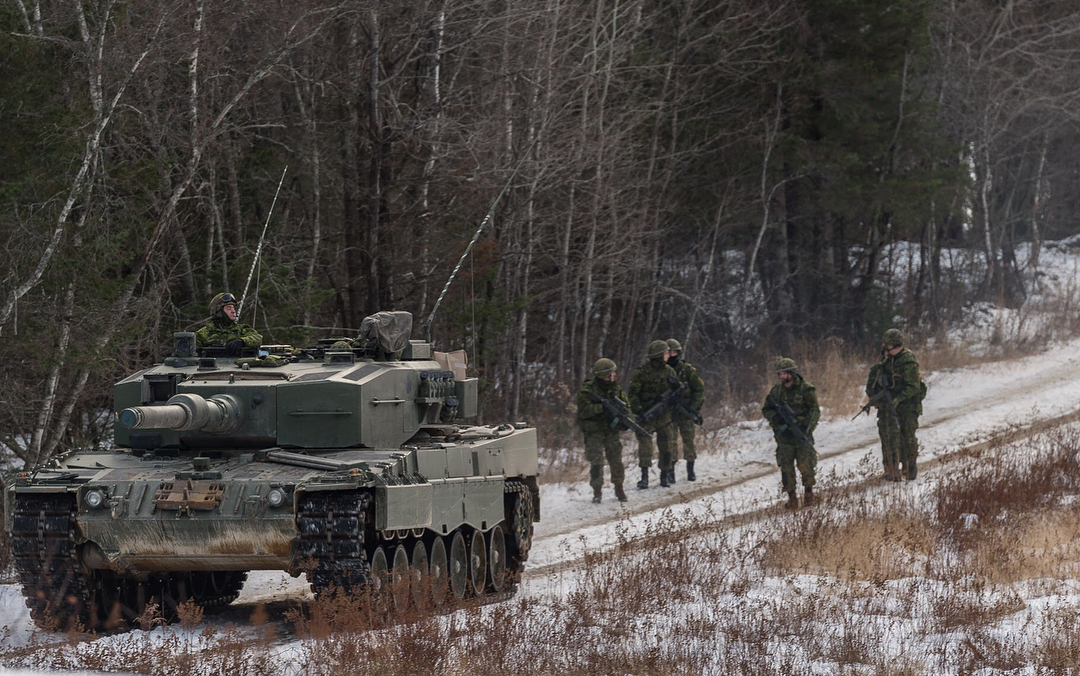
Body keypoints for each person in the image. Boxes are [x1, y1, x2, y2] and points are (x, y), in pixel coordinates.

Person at [866, 328, 924, 481]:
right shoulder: (887, 361)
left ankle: (909, 466)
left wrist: (898, 399)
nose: (886, 349)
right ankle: (891, 469)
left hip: (908, 406)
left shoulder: (908, 361)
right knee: (890, 437)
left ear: (896, 345)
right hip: (891, 406)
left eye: (889, 347)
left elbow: (913, 387)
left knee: (907, 437)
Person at [762, 357, 820, 509]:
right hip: (784, 438)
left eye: (783, 374)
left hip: (801, 434)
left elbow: (814, 410)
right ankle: (792, 498)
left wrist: (807, 428)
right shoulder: (776, 391)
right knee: (786, 468)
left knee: (806, 465)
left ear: (791, 373)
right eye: (779, 374)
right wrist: (776, 418)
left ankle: (809, 495)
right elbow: (766, 409)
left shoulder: (806, 389)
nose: (781, 377)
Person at [575, 358, 630, 504]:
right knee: (596, 461)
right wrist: (601, 408)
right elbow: (584, 411)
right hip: (594, 432)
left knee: (616, 460)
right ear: (604, 376)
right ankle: (597, 491)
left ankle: (619, 488)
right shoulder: (588, 390)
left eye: (613, 373)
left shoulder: (616, 389)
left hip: (611, 431)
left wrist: (624, 419)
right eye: (610, 374)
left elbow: (626, 408)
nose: (613, 376)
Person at [628, 340, 679, 489]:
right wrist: (640, 411)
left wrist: (675, 397)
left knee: (666, 445)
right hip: (646, 414)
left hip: (663, 415)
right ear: (658, 355)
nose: (668, 355)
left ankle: (664, 476)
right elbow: (633, 395)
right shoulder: (641, 373)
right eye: (665, 353)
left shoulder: (670, 371)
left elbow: (677, 389)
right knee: (645, 446)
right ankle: (644, 478)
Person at [666, 338, 705, 482]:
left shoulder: (686, 370)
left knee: (688, 440)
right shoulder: (662, 372)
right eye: (669, 352)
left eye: (674, 352)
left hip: (685, 411)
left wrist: (694, 408)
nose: (672, 355)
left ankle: (690, 469)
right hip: (668, 413)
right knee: (670, 442)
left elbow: (699, 389)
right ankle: (670, 471)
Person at [195, 292, 262, 356]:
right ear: (219, 311)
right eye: (229, 308)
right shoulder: (202, 334)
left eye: (233, 308)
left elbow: (258, 338)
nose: (233, 311)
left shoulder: (241, 329)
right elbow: (190, 354)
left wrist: (242, 341)